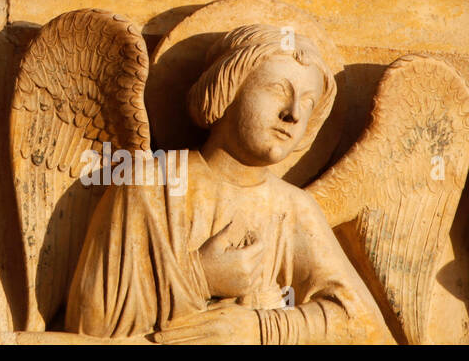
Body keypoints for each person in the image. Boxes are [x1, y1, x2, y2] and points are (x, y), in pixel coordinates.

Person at [65, 24, 389, 343]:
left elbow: (363, 324)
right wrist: (199, 276)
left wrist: (261, 330)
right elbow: (93, 325)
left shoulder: (293, 208)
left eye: (307, 102)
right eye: (278, 89)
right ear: (227, 88)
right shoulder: (153, 185)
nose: (293, 114)